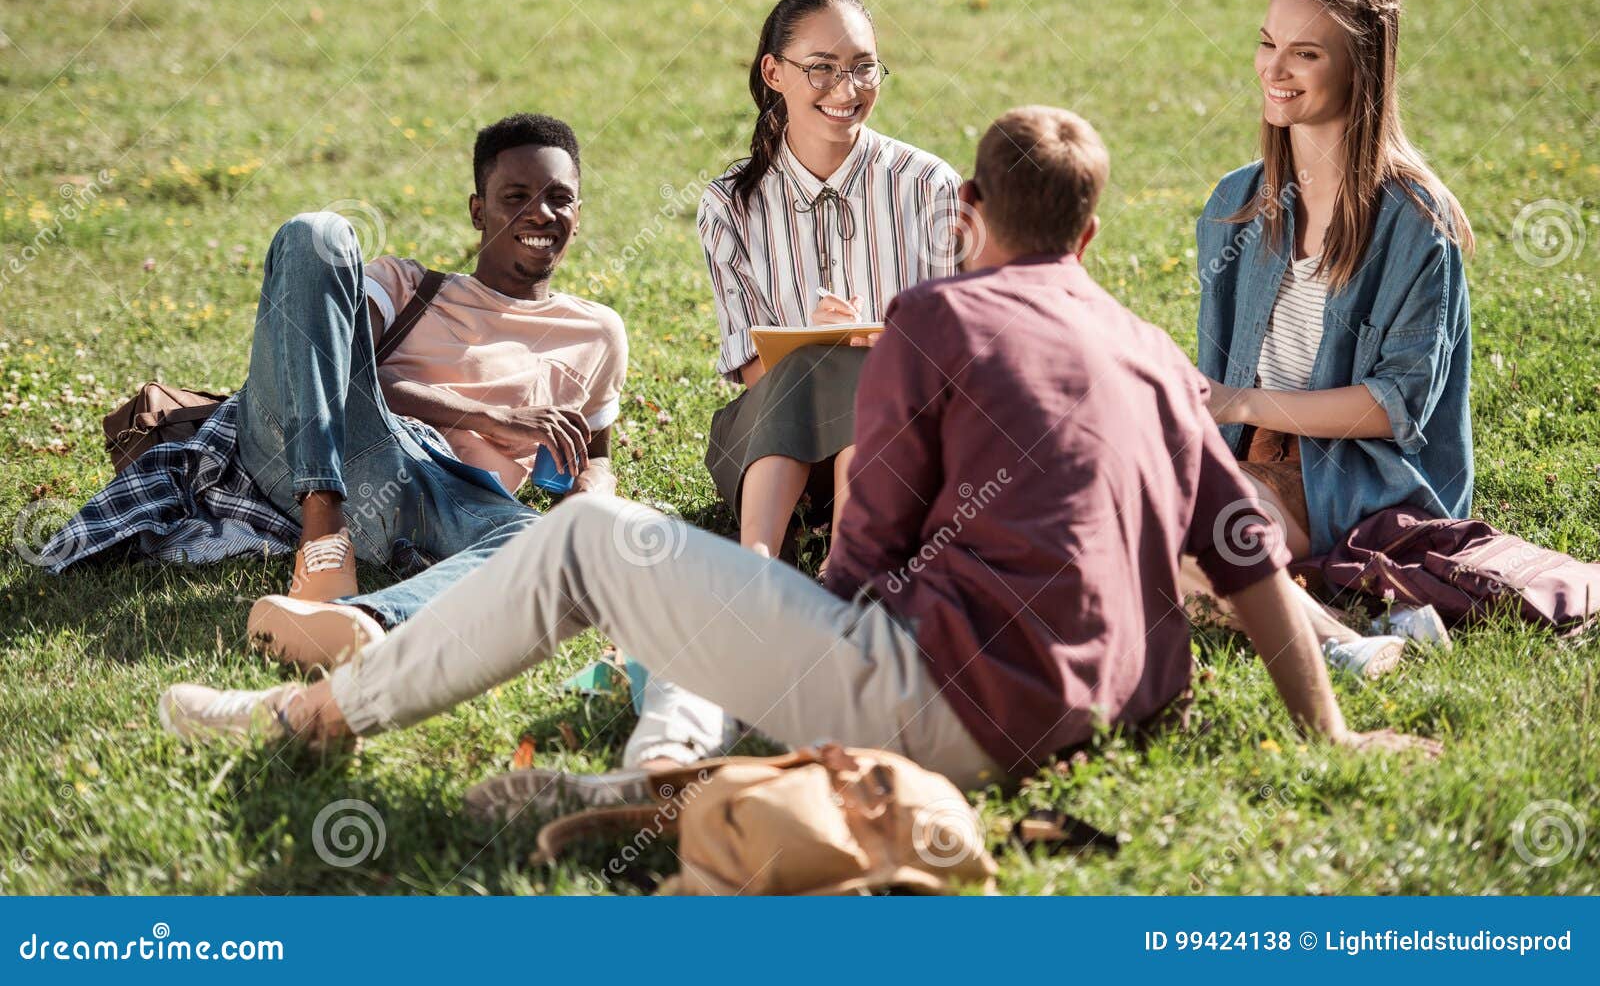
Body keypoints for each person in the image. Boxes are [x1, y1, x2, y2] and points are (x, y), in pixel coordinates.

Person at [158, 107, 1439, 804]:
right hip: (1089, 720)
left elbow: (871, 550)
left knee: (600, 540)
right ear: (1092, 232)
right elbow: (1246, 557)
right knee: (696, 605)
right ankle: (656, 775)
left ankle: (318, 716)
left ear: (967, 215)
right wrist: (1322, 737)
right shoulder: (1155, 355)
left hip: (946, 705)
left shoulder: (935, 315)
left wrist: (770, 635)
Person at [45, 113, 626, 671]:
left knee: (540, 541)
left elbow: (594, 453)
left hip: (441, 503)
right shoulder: (408, 285)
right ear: (478, 211)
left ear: (580, 212)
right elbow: (331, 369)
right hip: (320, 452)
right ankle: (323, 529)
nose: (541, 213)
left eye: (560, 197)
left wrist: (593, 487)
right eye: (515, 196)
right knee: (316, 233)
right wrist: (491, 417)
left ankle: (362, 619)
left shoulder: (598, 331)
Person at [1193, 0, 1474, 677]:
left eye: (1305, 53)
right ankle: (1364, 622)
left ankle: (1335, 642)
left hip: (1361, 477)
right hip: (1249, 459)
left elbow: (1394, 407)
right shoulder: (1235, 204)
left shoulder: (1416, 222)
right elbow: (1219, 383)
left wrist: (1236, 402)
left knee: (1179, 525)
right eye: (1266, 44)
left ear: (1361, 68)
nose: (1273, 70)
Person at [697, 0, 962, 568]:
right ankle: (761, 564)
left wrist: (891, 350)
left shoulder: (929, 187)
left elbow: (957, 357)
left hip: (905, 440)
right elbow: (752, 373)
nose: (847, 89)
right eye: (821, 69)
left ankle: (846, 558)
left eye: (864, 68)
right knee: (830, 360)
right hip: (775, 445)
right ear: (774, 73)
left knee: (870, 367)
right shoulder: (729, 204)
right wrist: (824, 346)